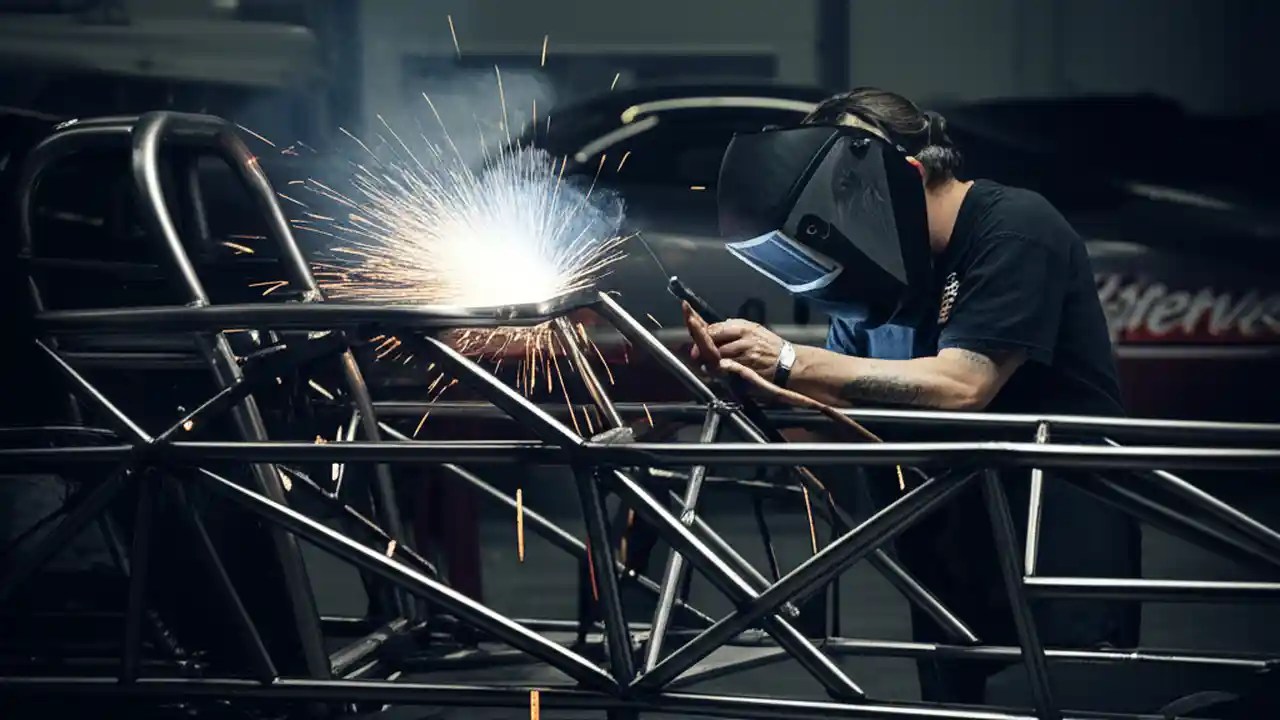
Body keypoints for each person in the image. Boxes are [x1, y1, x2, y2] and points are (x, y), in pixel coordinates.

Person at [684, 87, 1141, 704]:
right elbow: (842, 415)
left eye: (849, 198)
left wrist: (789, 359)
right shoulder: (877, 280)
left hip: (1051, 538)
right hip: (946, 547)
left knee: (1063, 703)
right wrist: (754, 385)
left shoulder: (1016, 228)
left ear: (908, 175)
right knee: (957, 710)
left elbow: (962, 386)